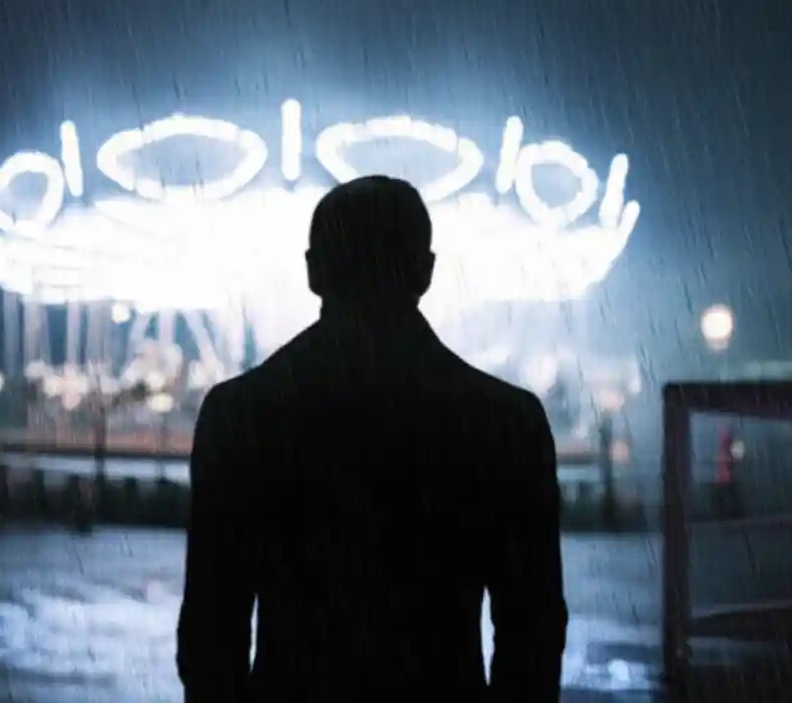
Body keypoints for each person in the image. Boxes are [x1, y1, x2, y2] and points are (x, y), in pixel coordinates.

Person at [177, 176, 568, 701]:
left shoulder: (240, 412)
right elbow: (533, 630)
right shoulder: (508, 420)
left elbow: (211, 629)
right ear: (425, 272)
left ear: (314, 271)